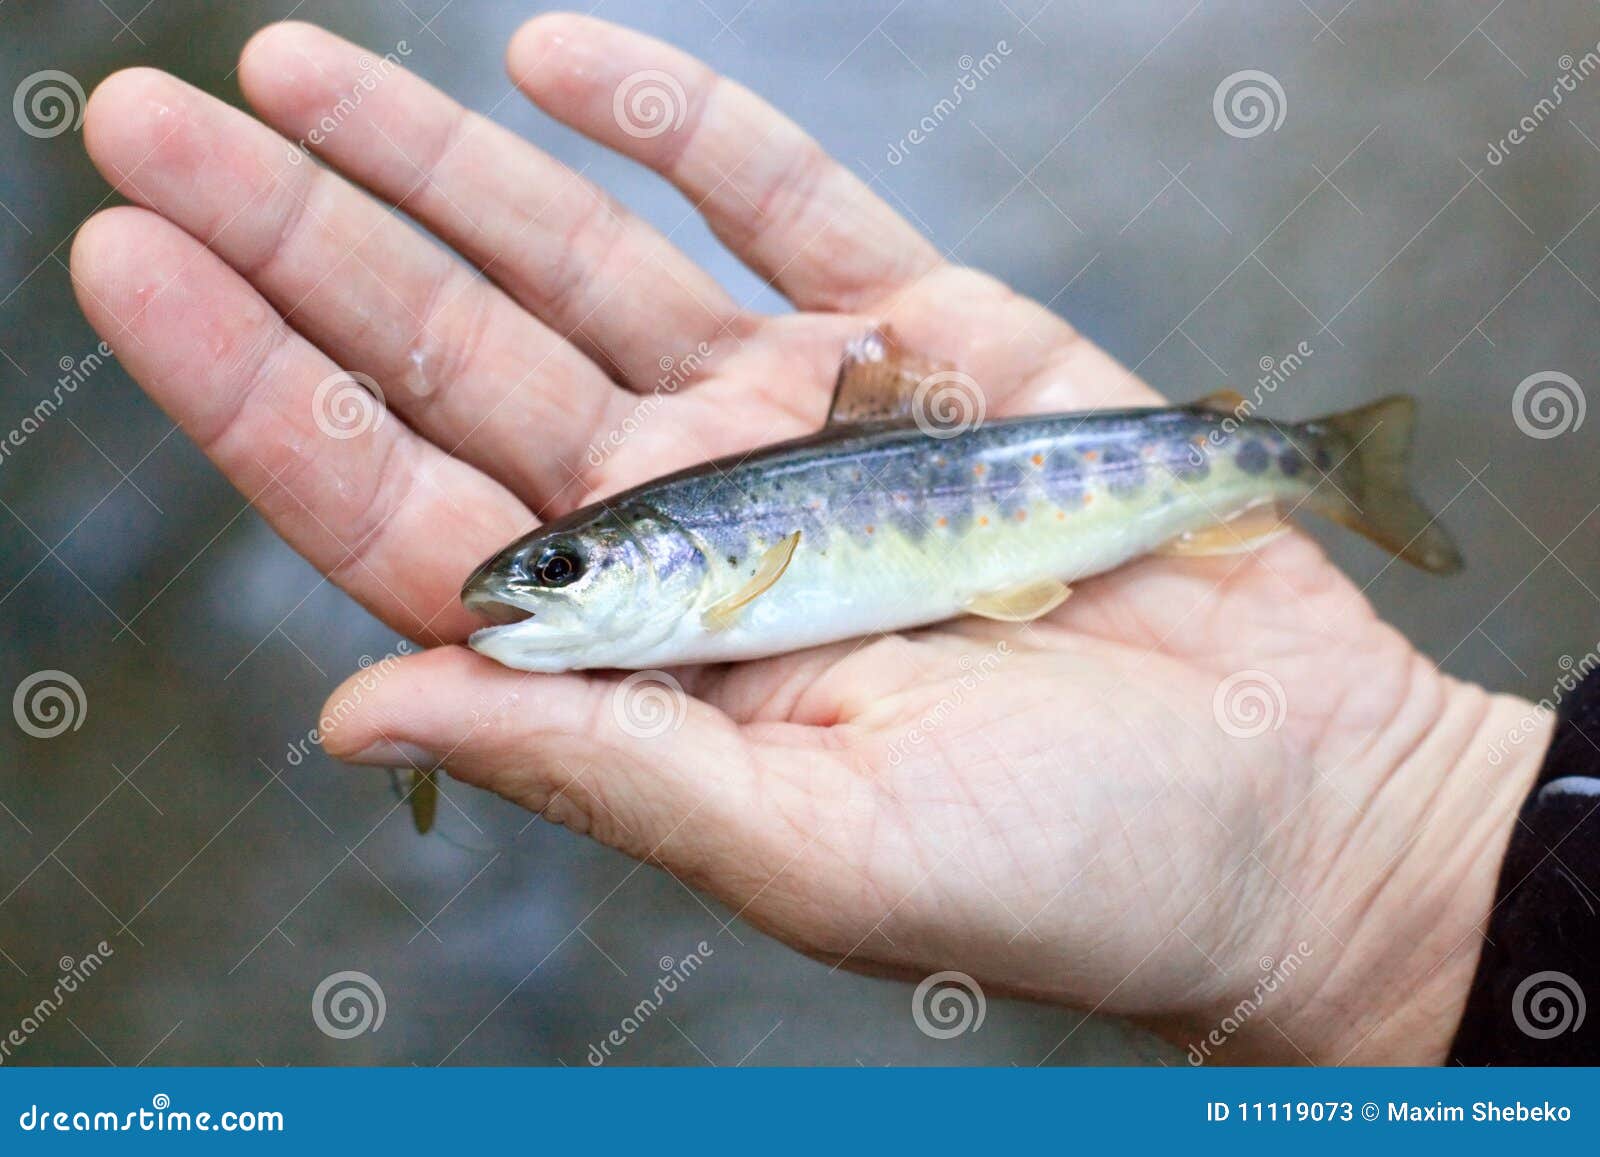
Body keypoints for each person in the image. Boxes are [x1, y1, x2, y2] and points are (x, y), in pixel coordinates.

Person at [68, 13, 1588, 1065]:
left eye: (562, 569)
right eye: (545, 575)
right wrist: (1399, 867)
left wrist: (1402, 855)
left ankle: (1322, 459)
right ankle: (1322, 462)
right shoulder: (693, 582)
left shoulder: (732, 567)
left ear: (666, 556)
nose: (522, 596)